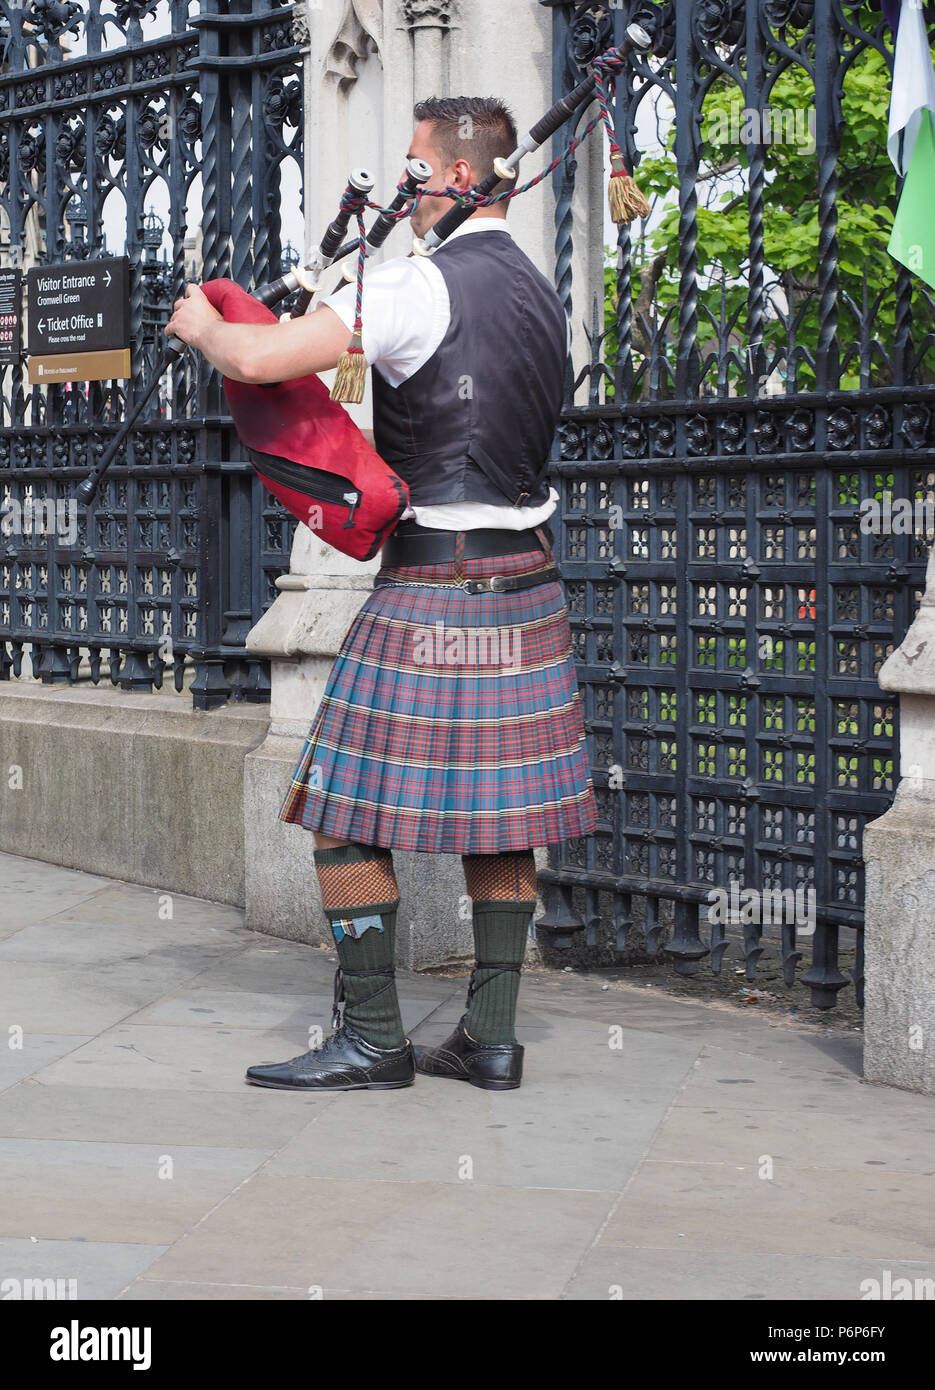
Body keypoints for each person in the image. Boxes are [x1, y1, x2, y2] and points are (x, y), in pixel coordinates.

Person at [165, 95, 598, 1093]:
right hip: (524, 579)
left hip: (432, 584)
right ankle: (489, 1039)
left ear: (454, 173)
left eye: (411, 165)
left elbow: (266, 358)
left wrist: (203, 327)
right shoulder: (541, 296)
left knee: (342, 809)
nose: (400, 186)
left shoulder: (413, 284)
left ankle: (371, 1035)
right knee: (502, 817)